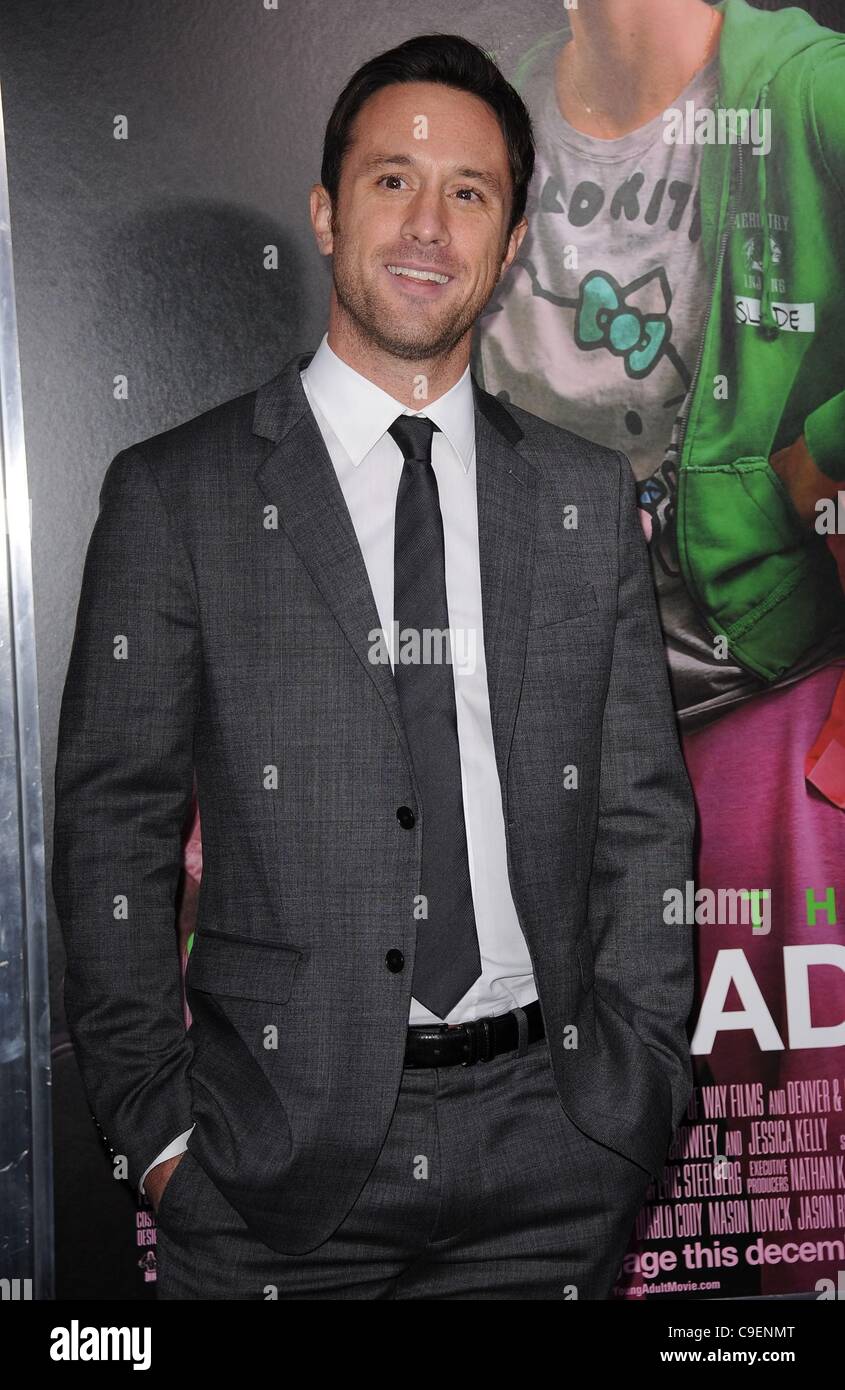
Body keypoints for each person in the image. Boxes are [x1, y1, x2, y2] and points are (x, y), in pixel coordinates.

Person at [53, 34, 695, 1301]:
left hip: (551, 1155)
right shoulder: (177, 497)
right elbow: (111, 831)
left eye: (469, 192)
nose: (428, 224)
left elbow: (640, 817)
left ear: (510, 244)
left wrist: (634, 1093)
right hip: (267, 1170)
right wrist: (162, 1138)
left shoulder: (579, 497)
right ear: (324, 210)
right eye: (392, 178)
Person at [476, 0, 845, 1297]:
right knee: (579, 1169)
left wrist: (803, 464)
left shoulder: (803, 90)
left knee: (790, 1200)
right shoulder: (500, 108)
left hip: (760, 711)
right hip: (548, 735)